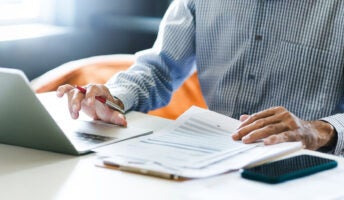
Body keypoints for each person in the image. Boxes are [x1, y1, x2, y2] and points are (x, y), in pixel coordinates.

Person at [57, 0, 344, 156]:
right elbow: (160, 68)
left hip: (313, 166)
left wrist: (317, 130)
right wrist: (114, 97)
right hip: (214, 159)